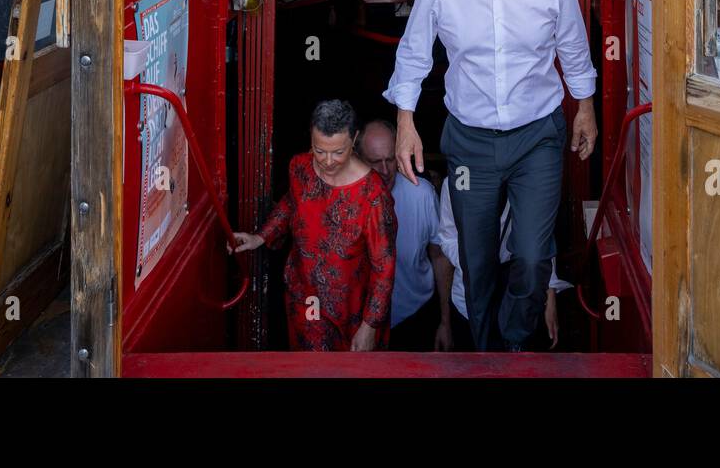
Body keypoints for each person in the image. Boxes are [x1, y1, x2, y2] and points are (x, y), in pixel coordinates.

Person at [384, 0, 598, 352]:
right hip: (470, 145)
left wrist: (585, 108)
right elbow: (414, 55)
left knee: (529, 255)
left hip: (537, 137)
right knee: (476, 261)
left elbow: (573, 48)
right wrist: (405, 125)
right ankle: (483, 354)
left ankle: (517, 344)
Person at [232, 99, 396, 352]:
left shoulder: (373, 195)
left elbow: (384, 267)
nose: (328, 161)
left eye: (338, 152)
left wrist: (369, 327)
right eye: (320, 150)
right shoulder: (300, 167)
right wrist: (260, 237)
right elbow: (291, 203)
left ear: (354, 140)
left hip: (351, 311)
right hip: (304, 297)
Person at [436, 182, 571, 351]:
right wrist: (476, 261)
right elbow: (448, 238)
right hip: (467, 302)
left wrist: (550, 292)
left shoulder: (523, 178)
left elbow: (539, 238)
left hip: (513, 297)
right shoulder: (454, 181)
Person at [357, 119, 453, 351]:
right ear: (358, 158)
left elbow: (440, 257)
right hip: (358, 321)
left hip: (415, 316)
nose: (385, 170)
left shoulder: (421, 194)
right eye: (375, 162)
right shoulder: (343, 197)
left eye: (390, 159)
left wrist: (445, 322)